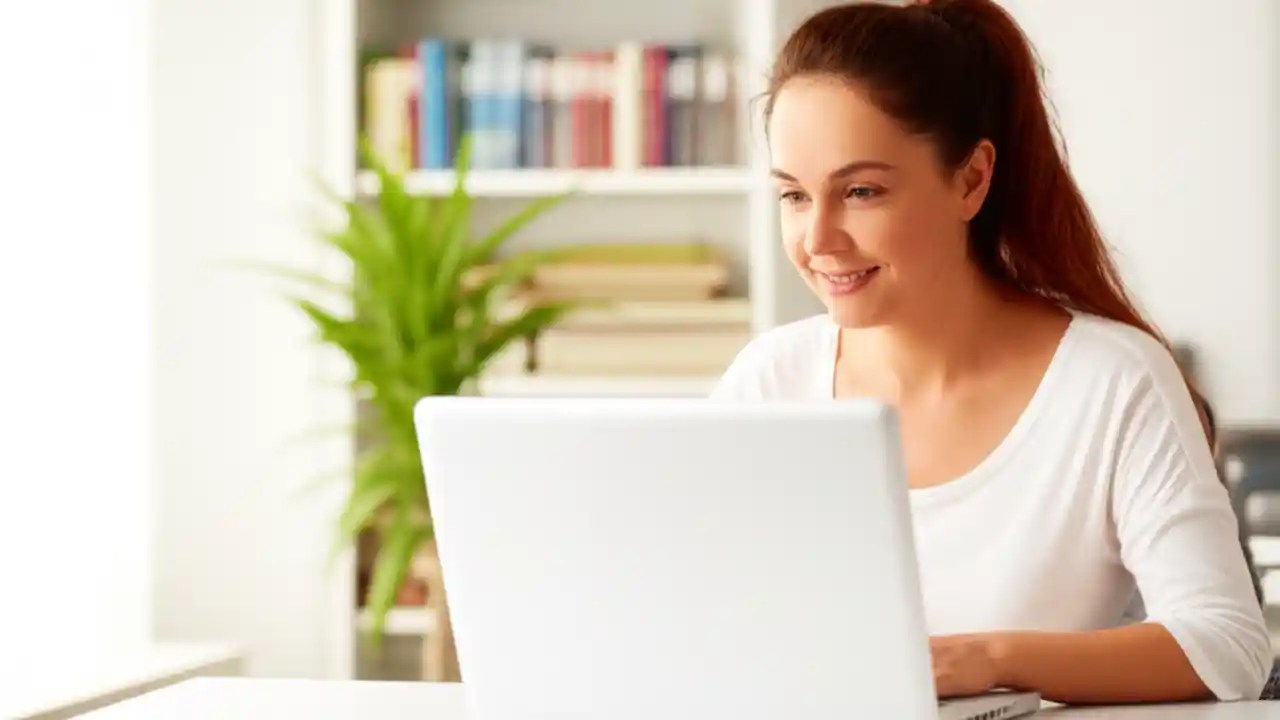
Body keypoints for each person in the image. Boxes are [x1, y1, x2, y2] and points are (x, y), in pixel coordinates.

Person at [711, 0, 1272, 705]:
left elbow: (1226, 645)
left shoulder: (1113, 382)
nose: (818, 238)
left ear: (972, 180)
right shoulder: (769, 382)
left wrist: (988, 659)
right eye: (794, 195)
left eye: (860, 191)